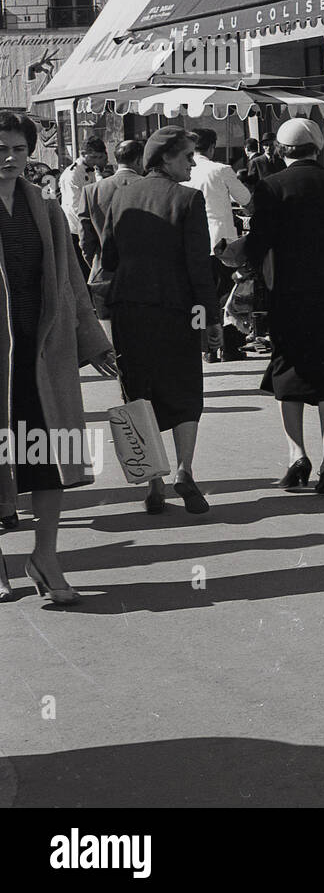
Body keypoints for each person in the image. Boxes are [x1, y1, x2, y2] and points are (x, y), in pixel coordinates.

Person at [0, 113, 114, 606]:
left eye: (19, 150)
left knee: (50, 459)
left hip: (44, 353)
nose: (9, 158)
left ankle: (45, 556)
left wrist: (93, 340)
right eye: (1, 148)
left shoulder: (45, 210)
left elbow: (70, 279)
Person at [240, 119, 324, 497]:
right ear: (319, 146)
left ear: (281, 151)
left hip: (290, 295)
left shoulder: (269, 187)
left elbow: (258, 243)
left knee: (289, 371)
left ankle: (296, 455)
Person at [101, 127, 221, 515]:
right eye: (187, 156)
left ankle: (154, 482)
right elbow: (198, 265)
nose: (192, 162)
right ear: (165, 158)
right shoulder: (187, 199)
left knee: (139, 391)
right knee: (184, 388)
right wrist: (211, 316)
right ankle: (184, 470)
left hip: (129, 308)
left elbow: (108, 257)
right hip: (176, 308)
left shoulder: (121, 195)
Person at [185, 127, 252, 363]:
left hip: (193, 243)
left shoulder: (184, 171)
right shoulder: (220, 170)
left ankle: (205, 348)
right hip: (222, 244)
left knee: (201, 296)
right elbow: (246, 200)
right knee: (228, 294)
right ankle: (230, 346)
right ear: (212, 146)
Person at [78, 138, 145, 293]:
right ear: (139, 160)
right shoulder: (150, 187)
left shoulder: (91, 191)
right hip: (144, 274)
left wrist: (96, 263)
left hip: (103, 273)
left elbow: (85, 240)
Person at [59, 135, 107, 268]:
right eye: (93, 157)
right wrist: (87, 228)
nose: (96, 161)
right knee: (82, 268)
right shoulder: (73, 174)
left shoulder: (93, 171)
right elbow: (75, 206)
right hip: (76, 229)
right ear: (83, 154)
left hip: (90, 226)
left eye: (99, 157)